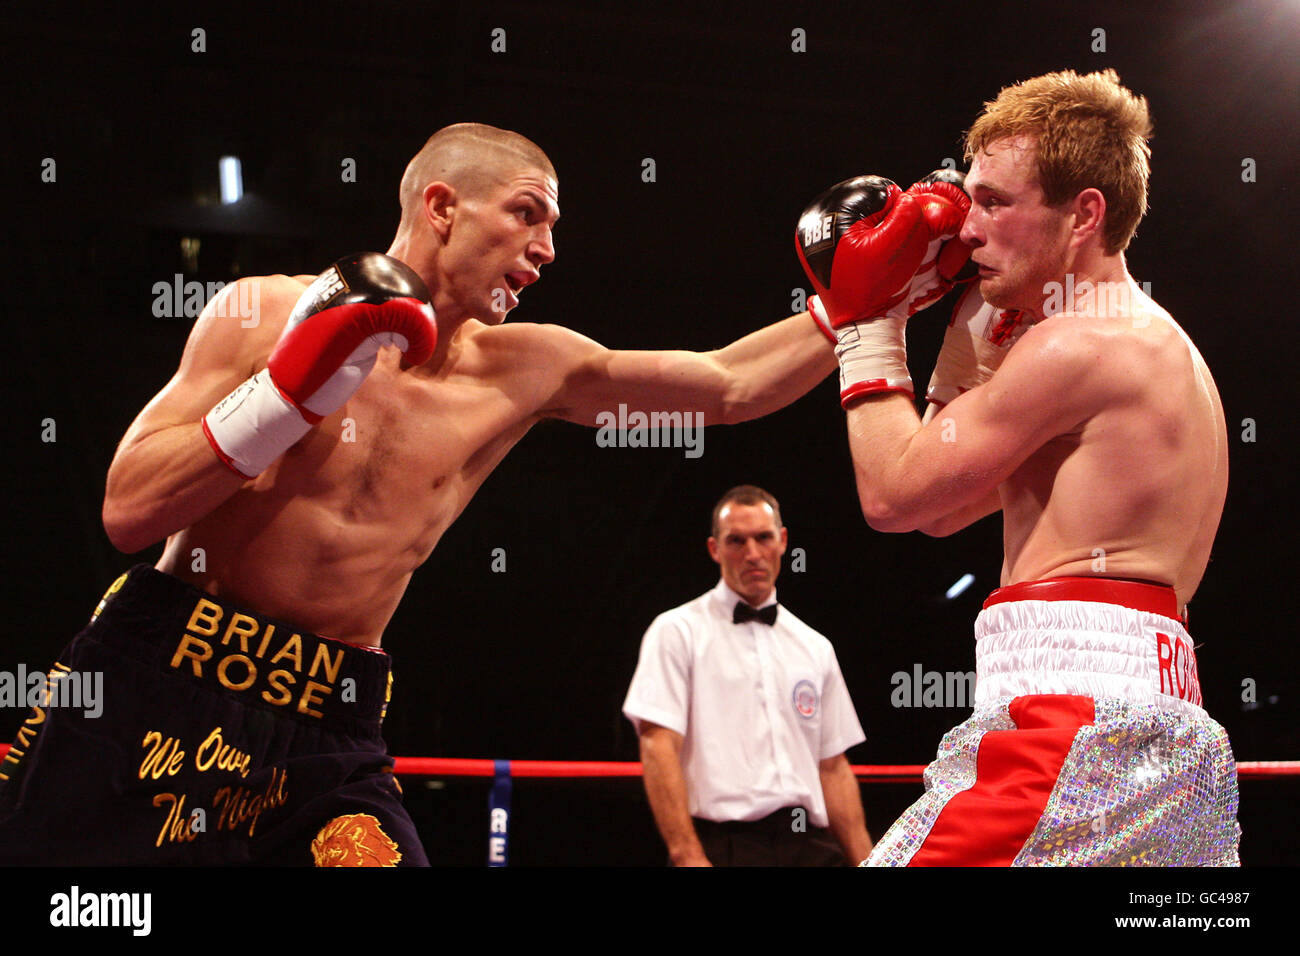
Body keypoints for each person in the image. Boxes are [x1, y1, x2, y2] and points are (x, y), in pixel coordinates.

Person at [0, 124, 838, 866]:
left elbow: (727, 386)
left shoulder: (528, 369)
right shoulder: (264, 312)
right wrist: (283, 398)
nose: (547, 248)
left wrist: (861, 310)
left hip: (325, 725)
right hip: (158, 674)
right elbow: (128, 511)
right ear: (442, 206)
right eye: (527, 213)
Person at [796, 69, 1240, 865]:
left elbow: (893, 497)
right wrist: (968, 331)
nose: (967, 229)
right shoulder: (1145, 342)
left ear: (1085, 215)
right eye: (969, 200)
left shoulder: (1078, 345)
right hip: (1157, 727)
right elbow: (944, 507)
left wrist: (870, 323)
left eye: (995, 203)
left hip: (1072, 727)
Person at [623, 485, 872, 866]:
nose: (753, 553)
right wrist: (687, 855)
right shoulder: (676, 631)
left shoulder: (814, 645)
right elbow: (658, 745)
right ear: (714, 549)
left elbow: (833, 768)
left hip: (811, 847)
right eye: (736, 541)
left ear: (782, 541)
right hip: (725, 846)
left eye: (763, 538)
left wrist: (868, 862)